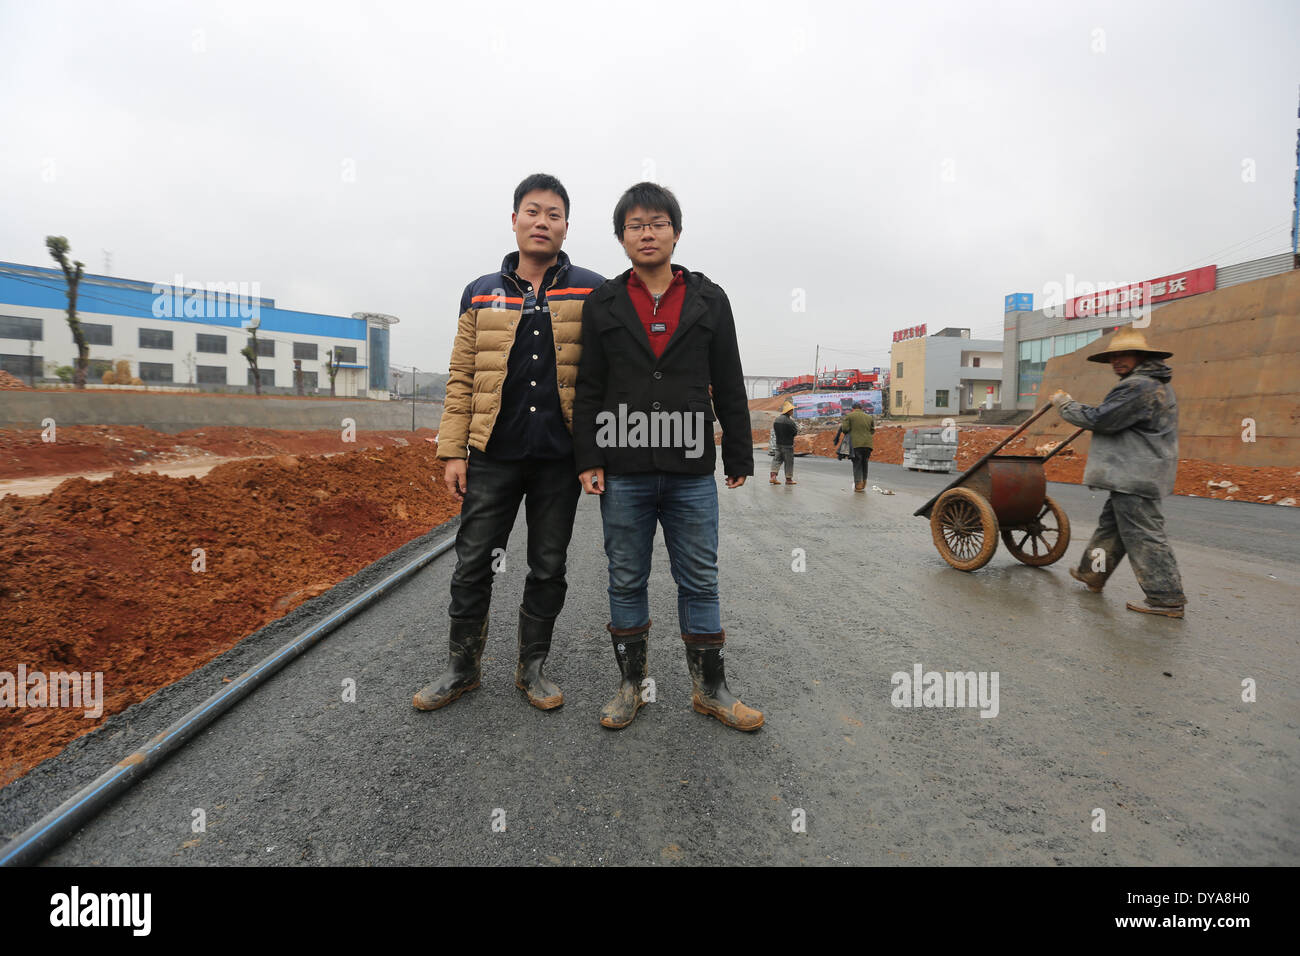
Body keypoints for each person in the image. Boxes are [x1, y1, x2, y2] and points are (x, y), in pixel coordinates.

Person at [573, 182, 762, 732]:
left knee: (700, 577)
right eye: (635, 225)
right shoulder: (602, 303)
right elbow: (589, 386)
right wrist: (590, 457)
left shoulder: (709, 299)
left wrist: (739, 455)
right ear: (621, 237)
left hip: (689, 469)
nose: (647, 232)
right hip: (624, 468)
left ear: (675, 232)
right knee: (626, 576)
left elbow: (728, 378)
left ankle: (711, 689)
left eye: (657, 223)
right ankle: (630, 686)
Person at [413, 173, 605, 712]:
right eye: (532, 211)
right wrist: (452, 449)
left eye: (554, 214)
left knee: (548, 565)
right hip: (492, 455)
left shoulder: (592, 289)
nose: (542, 222)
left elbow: (605, 375)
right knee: (472, 561)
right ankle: (462, 667)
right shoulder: (480, 293)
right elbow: (462, 376)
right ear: (515, 218)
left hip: (558, 461)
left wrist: (598, 452)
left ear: (567, 226)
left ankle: (532, 668)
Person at [1050, 328, 1186, 619]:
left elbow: (1102, 419)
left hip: (1135, 473)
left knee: (1144, 534)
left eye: (1124, 355)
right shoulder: (1155, 384)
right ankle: (1092, 573)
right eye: (1113, 356)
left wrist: (1066, 405)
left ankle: (1166, 598)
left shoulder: (1138, 386)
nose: (1117, 361)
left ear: (1141, 357)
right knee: (1111, 527)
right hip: (1139, 472)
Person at [834, 401, 875, 492]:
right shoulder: (869, 417)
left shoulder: (849, 416)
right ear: (861, 408)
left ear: (853, 408)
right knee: (865, 463)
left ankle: (858, 485)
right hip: (868, 444)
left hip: (856, 444)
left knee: (857, 464)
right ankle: (864, 482)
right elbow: (872, 430)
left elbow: (845, 429)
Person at [770, 400, 799, 484]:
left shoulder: (777, 420)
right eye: (792, 410)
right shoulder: (790, 422)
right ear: (788, 411)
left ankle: (773, 477)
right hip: (788, 445)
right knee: (789, 462)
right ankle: (788, 479)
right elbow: (794, 432)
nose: (792, 411)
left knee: (777, 460)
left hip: (778, 444)